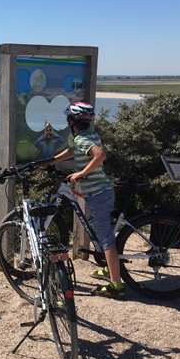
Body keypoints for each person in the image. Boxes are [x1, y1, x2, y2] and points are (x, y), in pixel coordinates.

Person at [49, 101, 125, 298]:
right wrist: (51, 161)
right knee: (99, 230)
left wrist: (80, 174)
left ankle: (116, 285)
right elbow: (73, 150)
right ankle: (110, 268)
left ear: (71, 121)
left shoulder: (83, 139)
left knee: (106, 239)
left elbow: (99, 156)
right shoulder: (87, 136)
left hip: (98, 193)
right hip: (102, 190)